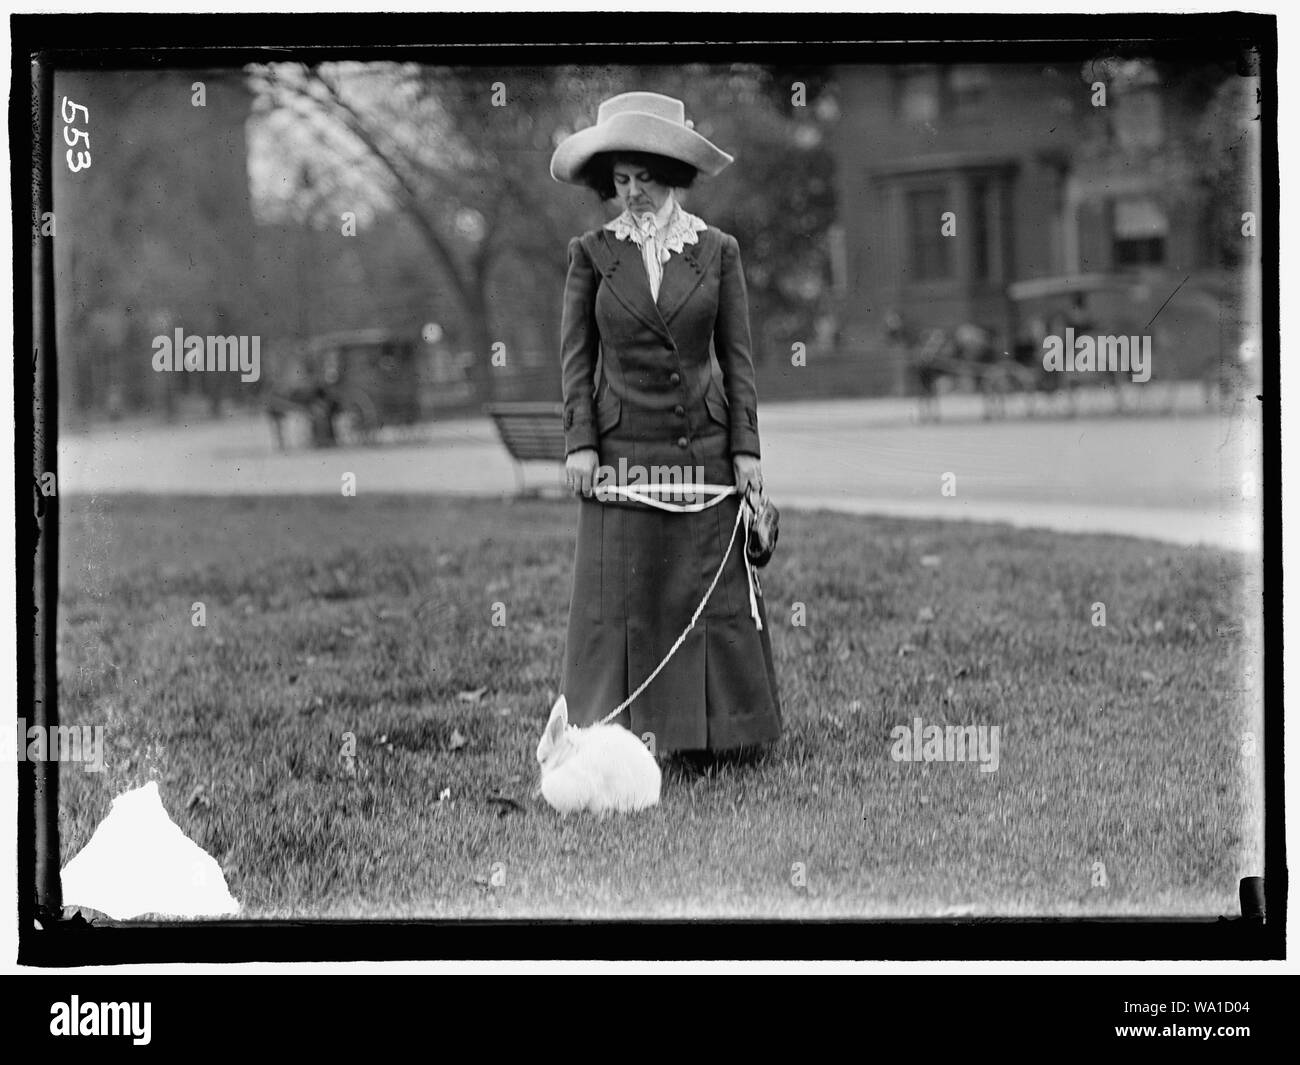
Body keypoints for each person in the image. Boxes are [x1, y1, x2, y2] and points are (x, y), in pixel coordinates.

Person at [549, 91, 782, 758]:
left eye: (644, 179)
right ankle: (609, 740)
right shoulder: (591, 254)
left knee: (700, 592)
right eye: (619, 181)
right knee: (625, 598)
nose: (632, 194)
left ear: (672, 174)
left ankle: (724, 735)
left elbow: (736, 361)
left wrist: (746, 450)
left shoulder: (717, 251)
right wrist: (581, 445)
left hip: (702, 449)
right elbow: (576, 360)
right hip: (622, 453)